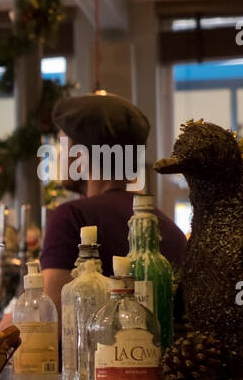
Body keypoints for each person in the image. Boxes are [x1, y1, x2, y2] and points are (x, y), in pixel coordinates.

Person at [38, 92, 188, 314]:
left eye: (62, 145)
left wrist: (13, 320)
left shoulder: (72, 218)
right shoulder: (171, 230)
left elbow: (49, 320)